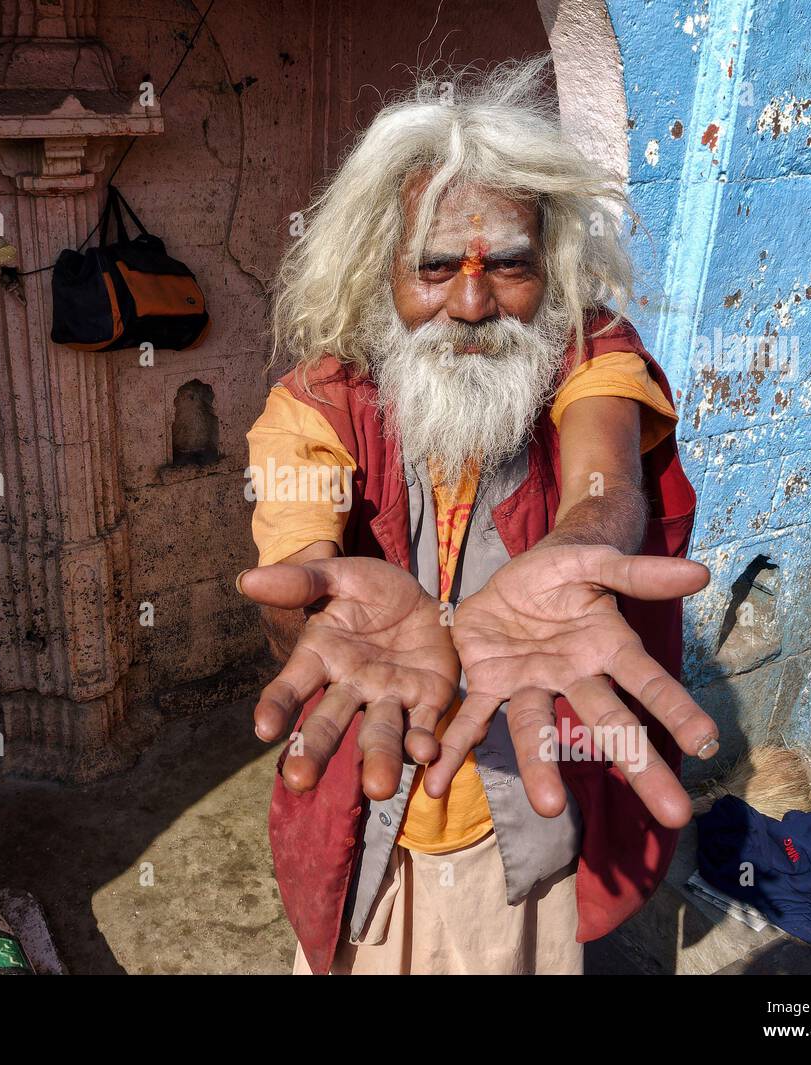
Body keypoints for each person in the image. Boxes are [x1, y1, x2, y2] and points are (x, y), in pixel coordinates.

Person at [236, 58, 721, 975]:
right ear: (378, 267)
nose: (469, 303)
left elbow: (605, 482)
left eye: (507, 266)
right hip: (375, 802)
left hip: (522, 811)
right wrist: (314, 602)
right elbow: (295, 548)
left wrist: (580, 549)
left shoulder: (587, 356)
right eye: (433, 267)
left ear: (552, 270)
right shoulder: (318, 403)